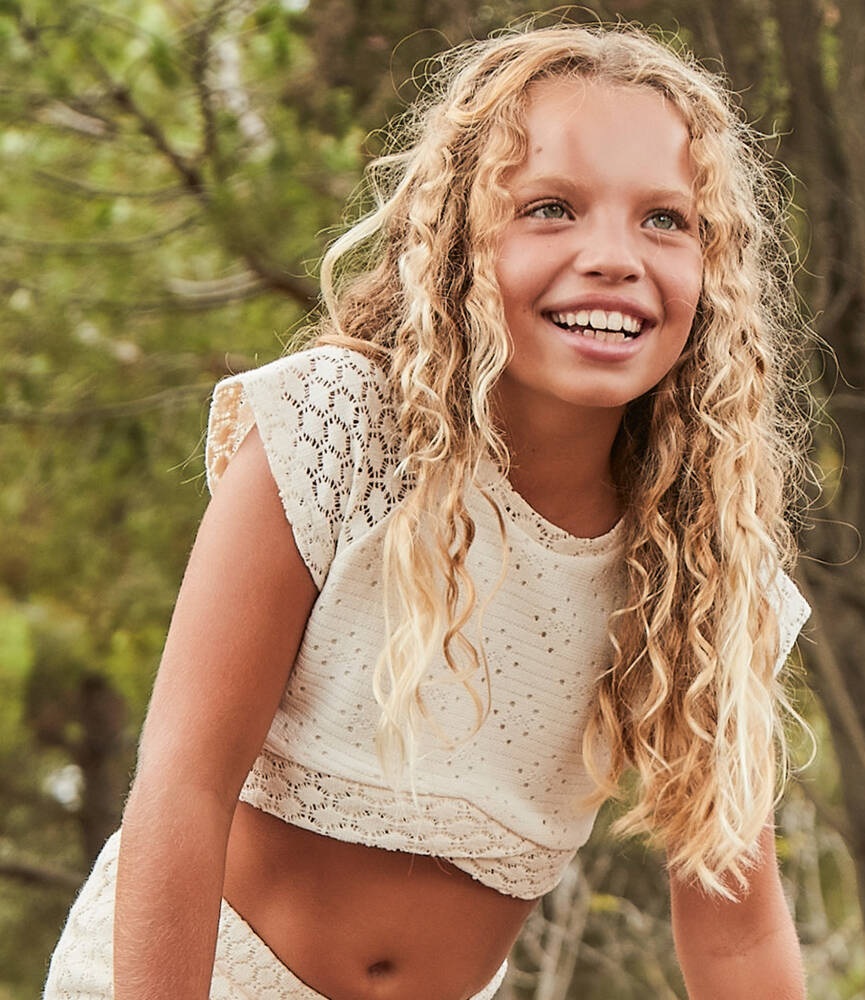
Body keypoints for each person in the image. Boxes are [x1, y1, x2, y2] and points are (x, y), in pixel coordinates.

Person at [43, 21, 812, 1000]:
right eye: (550, 207)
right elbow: (182, 788)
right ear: (458, 242)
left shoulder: (706, 556)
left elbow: (737, 936)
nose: (613, 256)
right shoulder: (336, 434)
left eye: (665, 219)